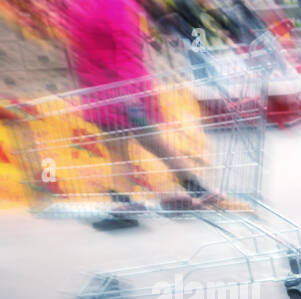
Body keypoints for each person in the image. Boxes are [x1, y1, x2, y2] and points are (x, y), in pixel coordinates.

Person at [63, 0, 221, 226]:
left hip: (121, 90)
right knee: (122, 147)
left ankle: (189, 189)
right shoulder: (81, 5)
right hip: (102, 90)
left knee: (145, 142)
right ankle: (191, 189)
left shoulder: (114, 5)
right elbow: (78, 48)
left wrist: (129, 92)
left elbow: (128, 48)